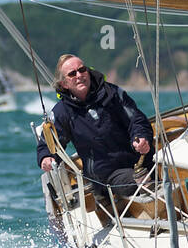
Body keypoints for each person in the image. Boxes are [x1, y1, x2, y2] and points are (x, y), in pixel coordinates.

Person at [36, 54, 153, 210]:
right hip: (106, 175)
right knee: (141, 182)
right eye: (72, 74)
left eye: (82, 70)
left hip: (139, 160)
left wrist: (141, 137)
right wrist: (46, 157)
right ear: (64, 84)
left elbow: (136, 119)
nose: (79, 75)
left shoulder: (112, 93)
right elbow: (49, 143)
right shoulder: (62, 112)